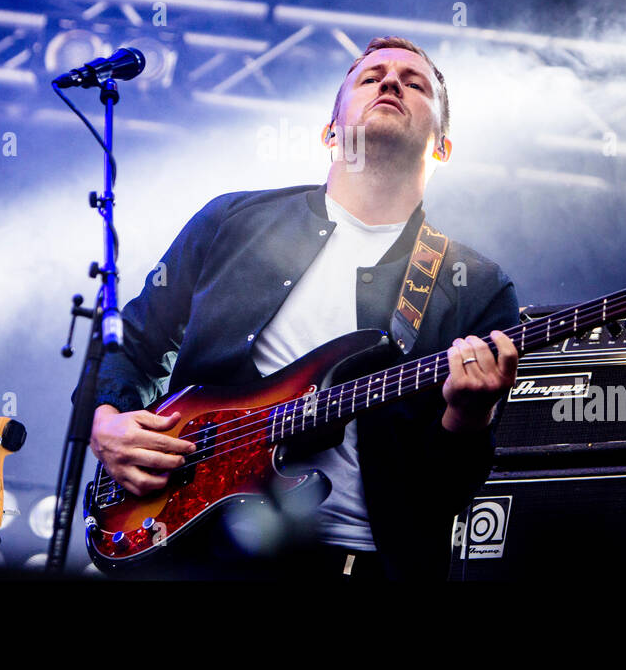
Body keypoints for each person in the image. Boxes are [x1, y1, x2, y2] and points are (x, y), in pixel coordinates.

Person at [89, 36, 520, 579]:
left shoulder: (478, 286)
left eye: (414, 84)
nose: (391, 83)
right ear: (330, 131)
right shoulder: (232, 222)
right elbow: (132, 342)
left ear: (442, 147)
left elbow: (446, 492)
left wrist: (468, 415)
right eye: (370, 78)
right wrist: (108, 421)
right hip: (192, 548)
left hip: (352, 562)